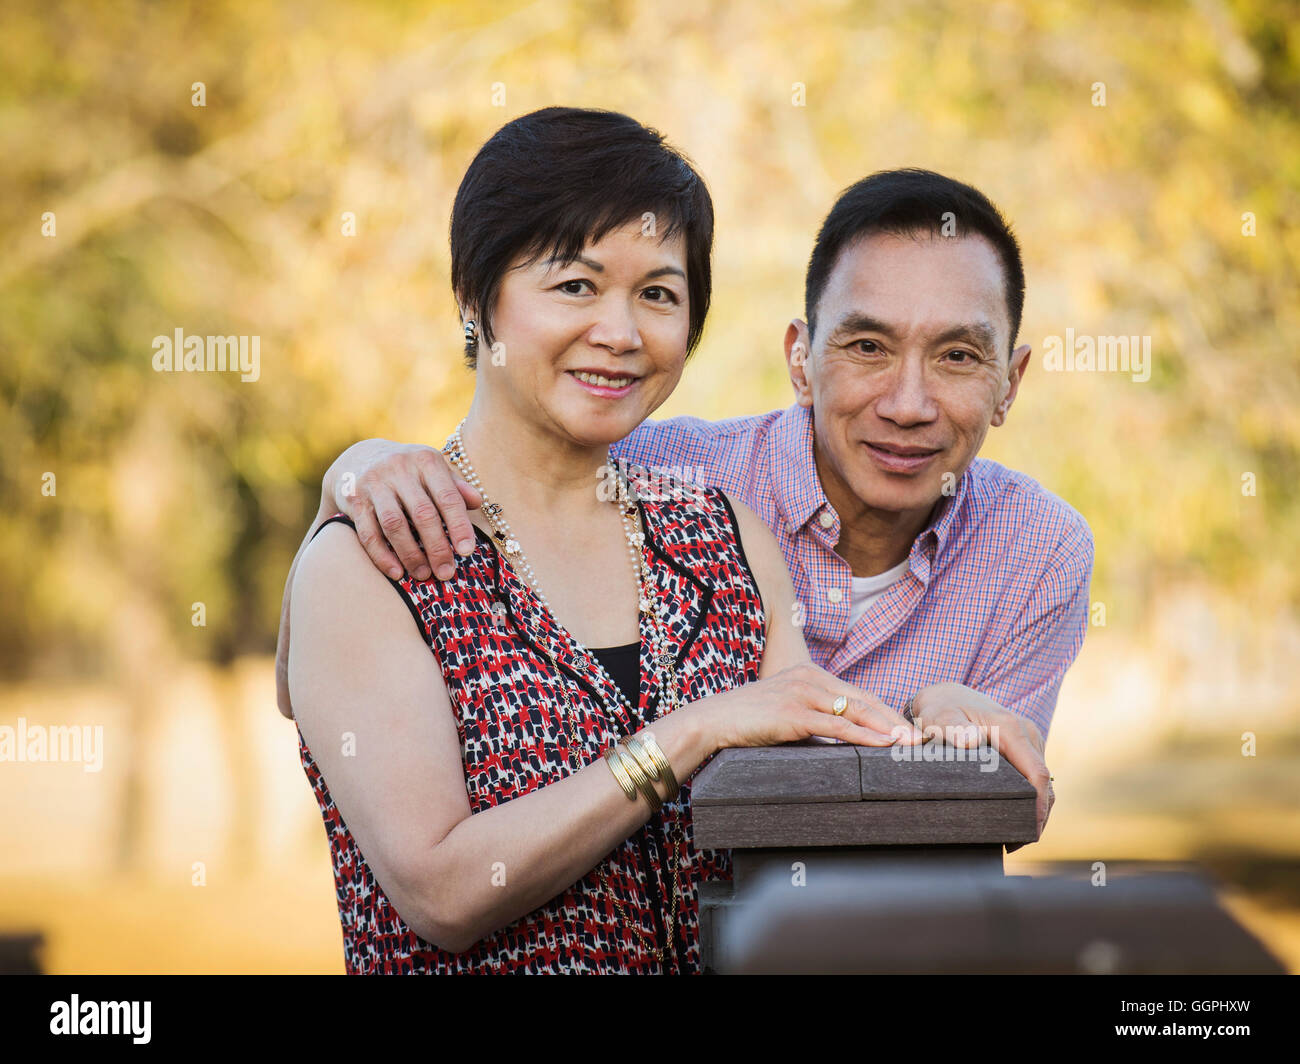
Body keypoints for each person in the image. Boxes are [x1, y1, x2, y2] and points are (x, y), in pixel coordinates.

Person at [285, 107, 922, 975]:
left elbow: (806, 812)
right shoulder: (376, 558)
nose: (621, 334)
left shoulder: (723, 541)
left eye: (658, 294)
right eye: (575, 286)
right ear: (478, 301)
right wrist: (684, 738)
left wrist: (938, 726)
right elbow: (441, 892)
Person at [280, 169, 1089, 840]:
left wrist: (940, 727)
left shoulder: (1038, 551)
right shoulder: (657, 475)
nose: (908, 404)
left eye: (956, 355)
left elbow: (979, 829)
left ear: (1009, 383)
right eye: (867, 347)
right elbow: (311, 685)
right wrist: (350, 481)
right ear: (801, 360)